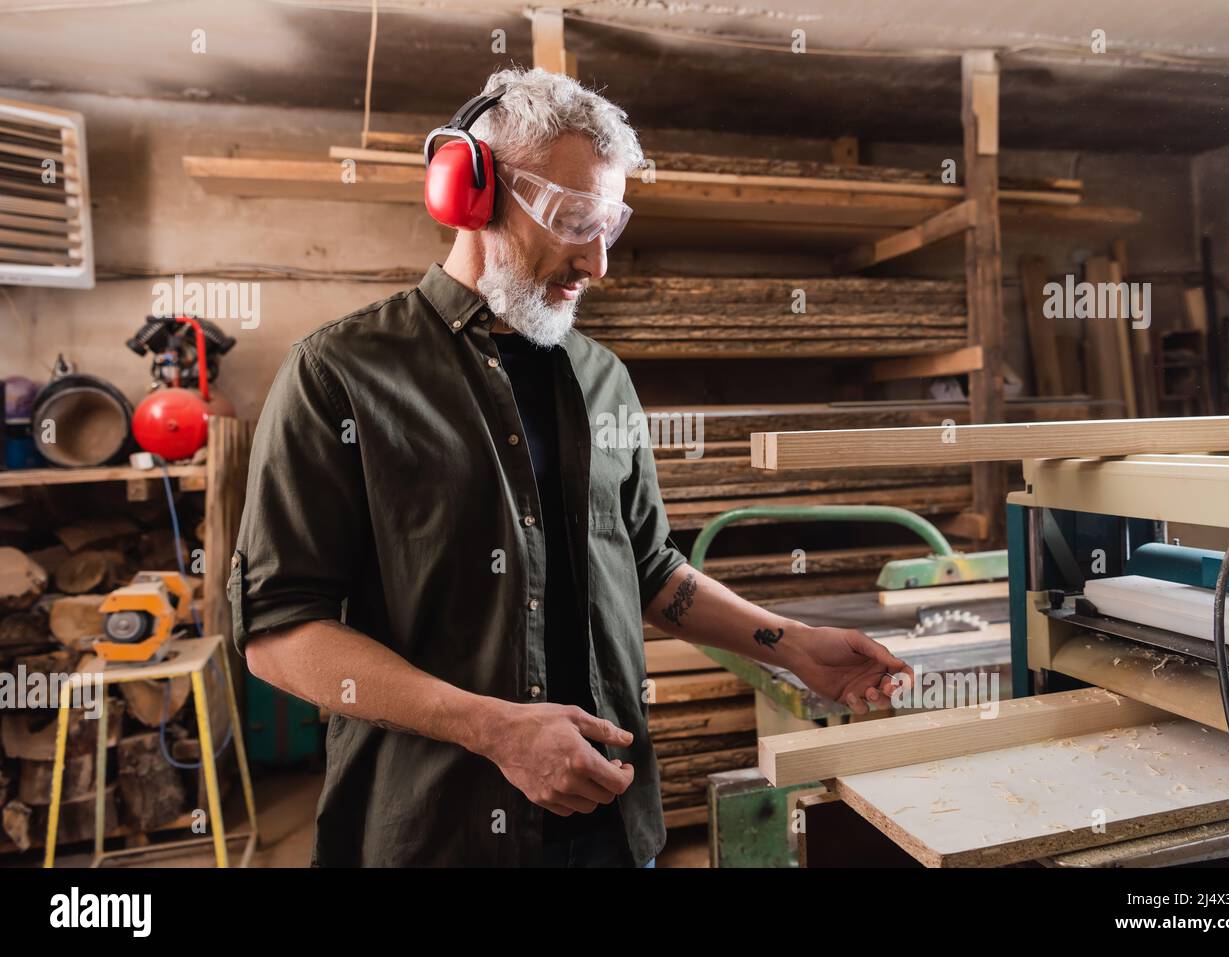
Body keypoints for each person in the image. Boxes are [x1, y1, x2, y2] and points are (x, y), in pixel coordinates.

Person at [229, 67, 911, 867]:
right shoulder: (339, 374)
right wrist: (495, 730)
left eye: (609, 225)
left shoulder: (601, 378)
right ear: (471, 194)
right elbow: (277, 631)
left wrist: (791, 643)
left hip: (612, 831)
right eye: (574, 219)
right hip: (437, 836)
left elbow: (652, 570)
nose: (597, 263)